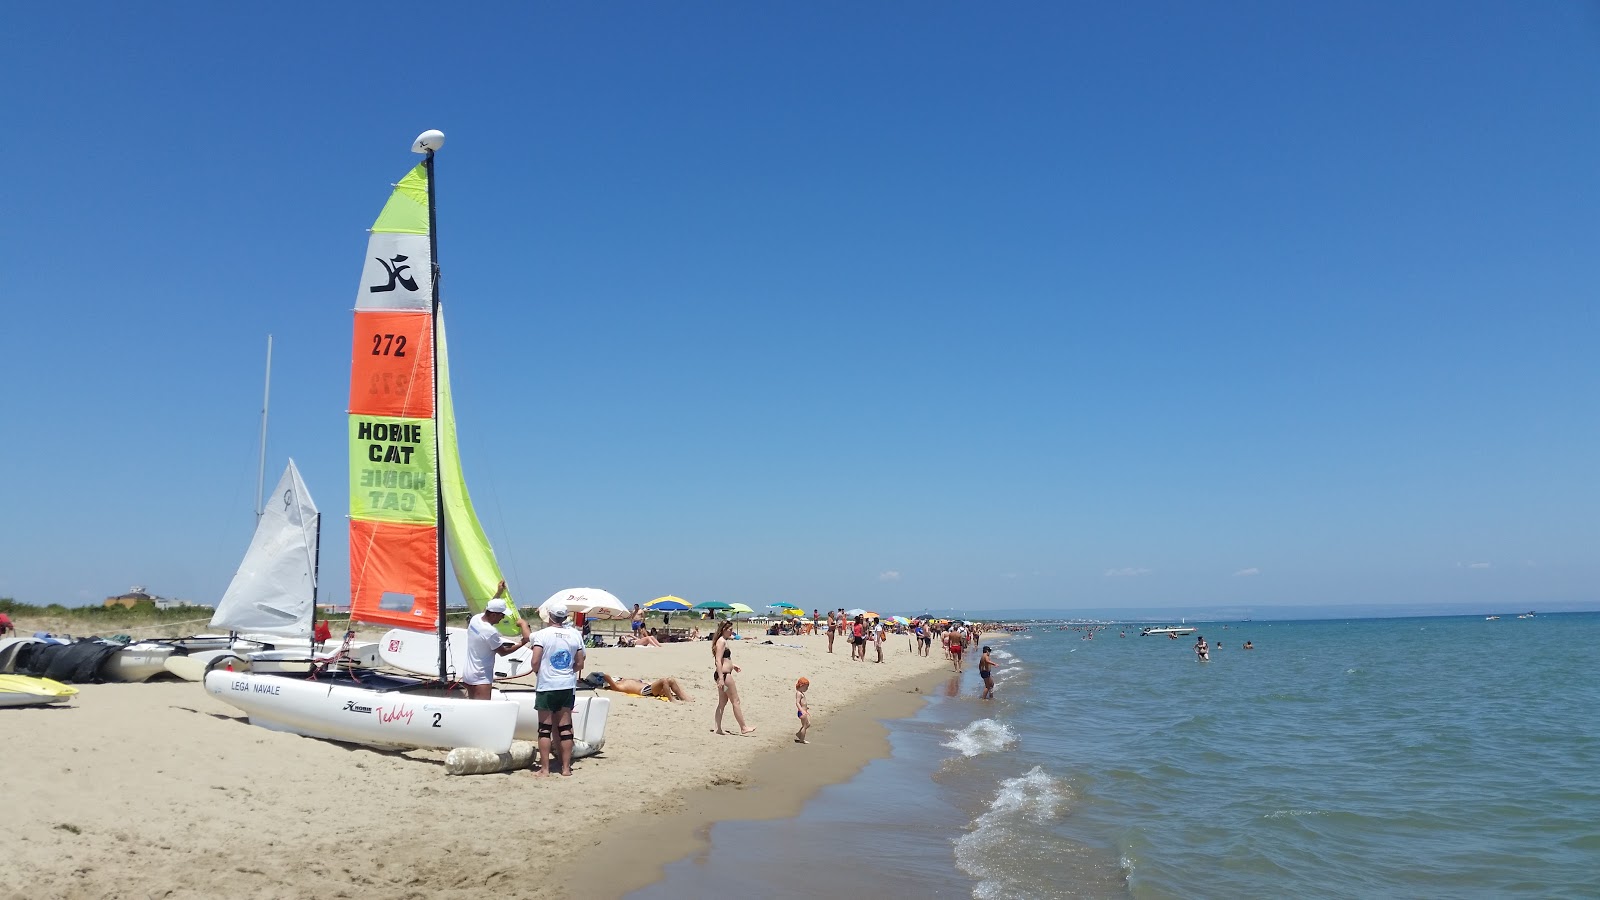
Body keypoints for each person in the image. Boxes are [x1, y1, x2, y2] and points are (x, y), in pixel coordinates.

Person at [530, 602, 586, 776]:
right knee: (565, 727)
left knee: (544, 728)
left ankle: (545, 769)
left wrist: (540, 671)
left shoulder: (542, 635)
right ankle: (566, 768)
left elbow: (534, 661)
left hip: (547, 685)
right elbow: (580, 663)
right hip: (566, 685)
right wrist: (567, 672)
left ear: (550, 616)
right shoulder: (574, 635)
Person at [464, 599, 529, 700]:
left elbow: (487, 609)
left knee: (474, 709)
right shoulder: (490, 631)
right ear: (493, 615)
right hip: (481, 677)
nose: (503, 618)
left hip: (468, 674)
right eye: (502, 615)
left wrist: (498, 593)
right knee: (483, 711)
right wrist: (522, 642)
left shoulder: (475, 619)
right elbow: (503, 652)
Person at [711, 620, 754, 735]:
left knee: (723, 701)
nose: (732, 631)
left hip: (723, 676)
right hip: (724, 677)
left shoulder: (723, 641)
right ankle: (743, 727)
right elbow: (718, 661)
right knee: (735, 701)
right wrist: (720, 678)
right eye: (730, 629)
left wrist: (733, 665)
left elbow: (724, 660)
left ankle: (718, 728)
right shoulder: (721, 642)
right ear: (724, 629)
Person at [597, 672, 693, 701]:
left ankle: (684, 697)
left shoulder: (624, 680)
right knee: (664, 680)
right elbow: (608, 677)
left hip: (648, 687)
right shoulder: (618, 686)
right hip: (644, 691)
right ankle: (672, 700)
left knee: (671, 680)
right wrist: (605, 676)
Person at [794, 677, 811, 744]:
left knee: (808, 724)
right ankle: (802, 740)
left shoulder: (801, 693)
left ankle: (799, 734)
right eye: (806, 687)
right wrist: (802, 710)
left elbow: (803, 703)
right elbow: (797, 703)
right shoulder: (799, 693)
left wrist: (806, 707)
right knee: (804, 726)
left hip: (804, 711)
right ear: (801, 686)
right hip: (802, 712)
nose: (807, 689)